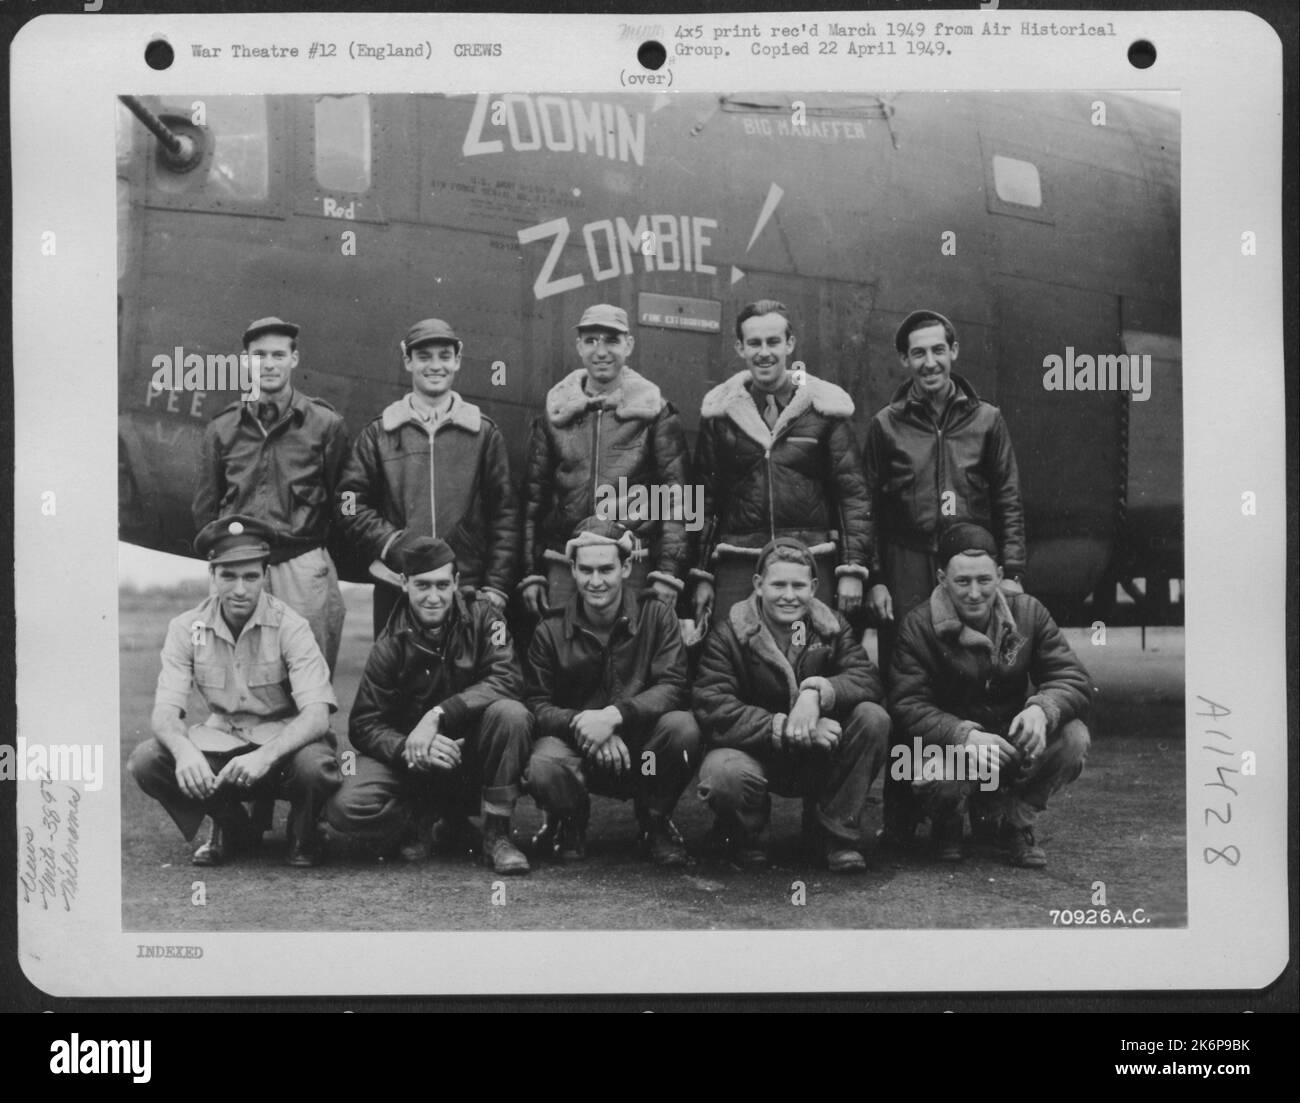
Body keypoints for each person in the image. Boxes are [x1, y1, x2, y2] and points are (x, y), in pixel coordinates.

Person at [864, 309, 1027, 844]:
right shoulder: (886, 425)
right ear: (904, 360)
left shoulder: (987, 420)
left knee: (984, 676)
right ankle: (903, 810)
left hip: (974, 573)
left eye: (938, 349)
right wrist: (876, 579)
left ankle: (985, 807)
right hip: (908, 563)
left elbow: (1007, 499)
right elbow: (869, 509)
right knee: (905, 684)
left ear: (954, 352)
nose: (929, 361)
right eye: (918, 352)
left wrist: (1013, 574)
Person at [127, 516, 341, 867]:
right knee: (148, 760)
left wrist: (264, 757)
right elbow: (165, 712)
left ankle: (305, 831)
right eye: (228, 576)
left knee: (316, 767)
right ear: (212, 576)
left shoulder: (292, 627)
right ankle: (232, 825)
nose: (239, 589)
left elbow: (317, 715)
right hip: (224, 741)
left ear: (265, 576)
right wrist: (184, 752)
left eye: (250, 576)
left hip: (285, 745)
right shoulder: (186, 628)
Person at [325, 536, 535, 875]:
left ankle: (497, 834)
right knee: (344, 804)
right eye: (422, 585)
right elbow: (364, 724)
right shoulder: (389, 644)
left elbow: (508, 679)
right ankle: (420, 817)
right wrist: (407, 747)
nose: (433, 597)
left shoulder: (487, 617)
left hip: (474, 752)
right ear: (405, 583)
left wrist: (438, 714)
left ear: (456, 583)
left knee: (512, 714)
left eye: (441, 585)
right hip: (417, 763)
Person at [889, 522, 1090, 868]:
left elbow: (1071, 676)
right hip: (947, 748)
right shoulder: (917, 626)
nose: (974, 593)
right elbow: (907, 704)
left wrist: (1043, 709)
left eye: (984, 580)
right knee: (936, 776)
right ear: (941, 579)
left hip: (1005, 744)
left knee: (1074, 737)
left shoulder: (1029, 612)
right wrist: (962, 734)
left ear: (999, 574)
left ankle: (1014, 821)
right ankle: (947, 823)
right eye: (961, 581)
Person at [693, 538, 891, 871]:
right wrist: (788, 727)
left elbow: (867, 679)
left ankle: (836, 833)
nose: (789, 595)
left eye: (799, 585)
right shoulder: (728, 634)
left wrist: (817, 692)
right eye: (778, 584)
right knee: (722, 773)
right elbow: (713, 705)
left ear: (814, 587)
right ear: (758, 585)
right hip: (756, 753)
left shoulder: (831, 627)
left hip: (818, 757)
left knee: (873, 718)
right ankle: (749, 834)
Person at [524, 518, 700, 865]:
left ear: (626, 567)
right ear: (571, 569)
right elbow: (536, 704)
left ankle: (655, 820)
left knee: (683, 729)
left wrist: (615, 717)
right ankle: (570, 821)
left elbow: (674, 686)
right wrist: (584, 724)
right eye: (585, 570)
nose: (595, 581)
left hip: (640, 751)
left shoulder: (656, 615)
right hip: (579, 747)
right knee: (542, 763)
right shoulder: (550, 628)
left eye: (606, 569)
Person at [692, 299, 870, 626]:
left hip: (808, 561)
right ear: (739, 348)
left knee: (811, 655)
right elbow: (703, 498)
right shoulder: (719, 413)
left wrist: (852, 567)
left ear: (789, 344)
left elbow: (853, 494)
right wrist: (701, 573)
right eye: (754, 343)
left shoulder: (825, 407)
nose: (764, 352)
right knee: (732, 654)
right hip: (738, 561)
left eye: (773, 342)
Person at [337, 318, 520, 636]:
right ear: (407, 360)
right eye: (424, 357)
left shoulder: (484, 434)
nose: (435, 366)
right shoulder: (378, 433)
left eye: (444, 356)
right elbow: (349, 504)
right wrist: (393, 544)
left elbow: (505, 515)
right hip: (398, 587)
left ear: (457, 361)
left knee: (465, 684)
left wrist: (497, 588)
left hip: (467, 589)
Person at [192, 316, 349, 673]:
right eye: (259, 355)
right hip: (239, 564)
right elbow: (205, 507)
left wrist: (318, 559)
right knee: (234, 673)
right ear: (245, 360)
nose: (269, 363)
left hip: (301, 564)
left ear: (294, 359)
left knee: (307, 674)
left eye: (278, 355)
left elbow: (342, 499)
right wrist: (225, 563)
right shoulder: (222, 428)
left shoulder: (325, 425)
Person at [520, 304, 691, 617]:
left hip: (631, 564)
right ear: (579, 346)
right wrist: (531, 571)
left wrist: (669, 573)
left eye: (611, 340)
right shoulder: (555, 414)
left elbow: (680, 498)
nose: (601, 351)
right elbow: (533, 500)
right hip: (564, 563)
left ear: (628, 345)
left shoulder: (656, 413)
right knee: (563, 653)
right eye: (591, 341)